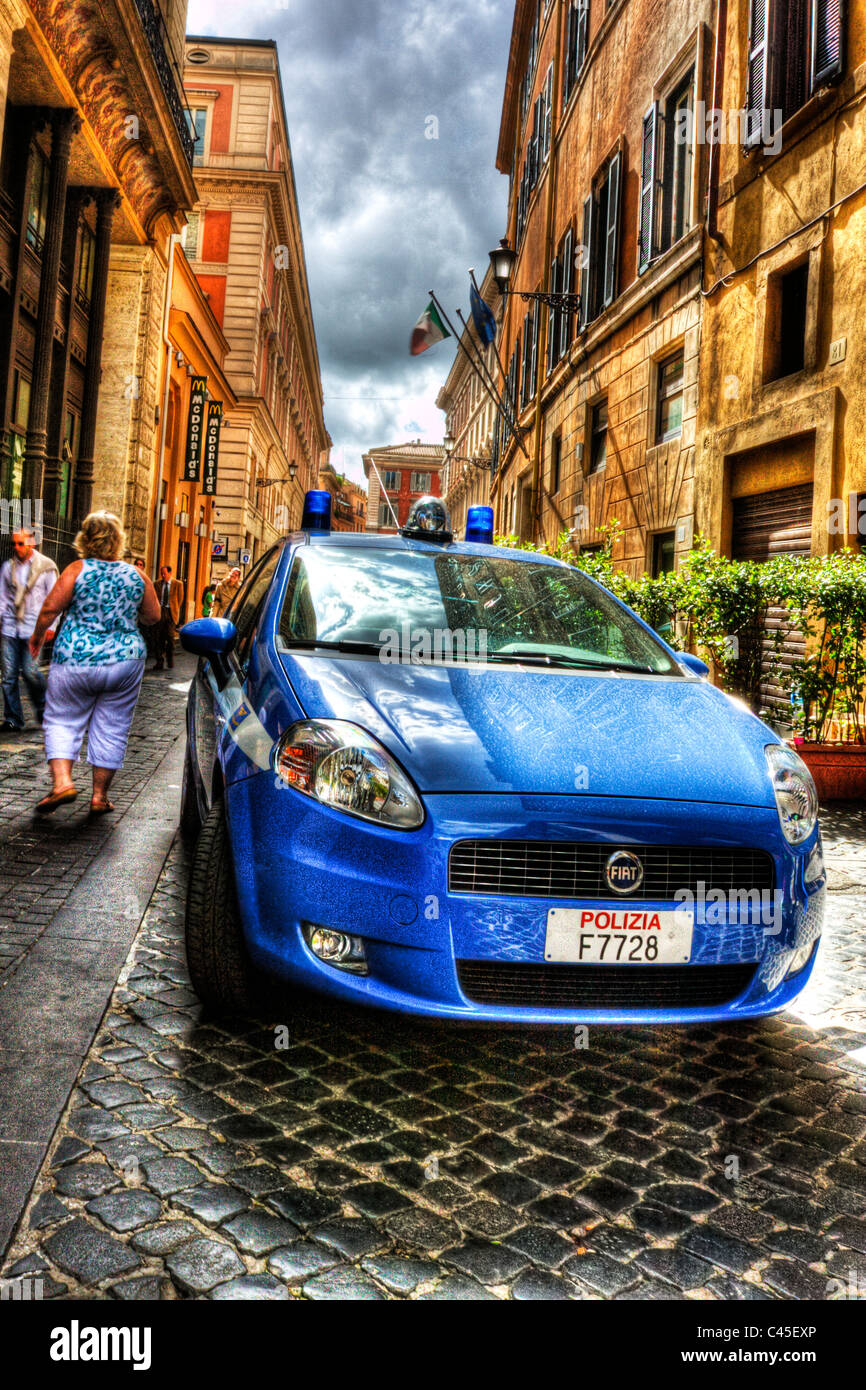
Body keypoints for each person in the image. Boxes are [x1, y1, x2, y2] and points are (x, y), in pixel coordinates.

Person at [28, 511, 160, 815]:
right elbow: (153, 617)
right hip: (124, 661)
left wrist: (37, 637)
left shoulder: (77, 569)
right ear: (119, 540)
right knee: (113, 725)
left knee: (62, 718)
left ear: (85, 539)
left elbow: (49, 609)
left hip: (75, 657)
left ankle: (62, 783)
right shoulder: (136, 575)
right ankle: (99, 797)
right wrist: (126, 617)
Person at [0, 527, 58, 732]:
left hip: (34, 628)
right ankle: (13, 718)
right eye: (14, 543)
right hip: (10, 627)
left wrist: (51, 626)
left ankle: (44, 707)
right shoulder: (9, 567)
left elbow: (54, 598)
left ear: (31, 543)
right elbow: (3, 598)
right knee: (8, 675)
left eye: (20, 543)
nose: (16, 547)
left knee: (31, 672)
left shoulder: (46, 567)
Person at [153, 564, 184, 671]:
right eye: (162, 573)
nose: (163, 575)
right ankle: (159, 661)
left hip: (171, 613)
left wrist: (174, 609)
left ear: (170, 573)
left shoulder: (178, 584)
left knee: (170, 638)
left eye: (165, 573)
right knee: (159, 638)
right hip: (160, 612)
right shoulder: (157, 584)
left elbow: (180, 600)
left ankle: (170, 658)